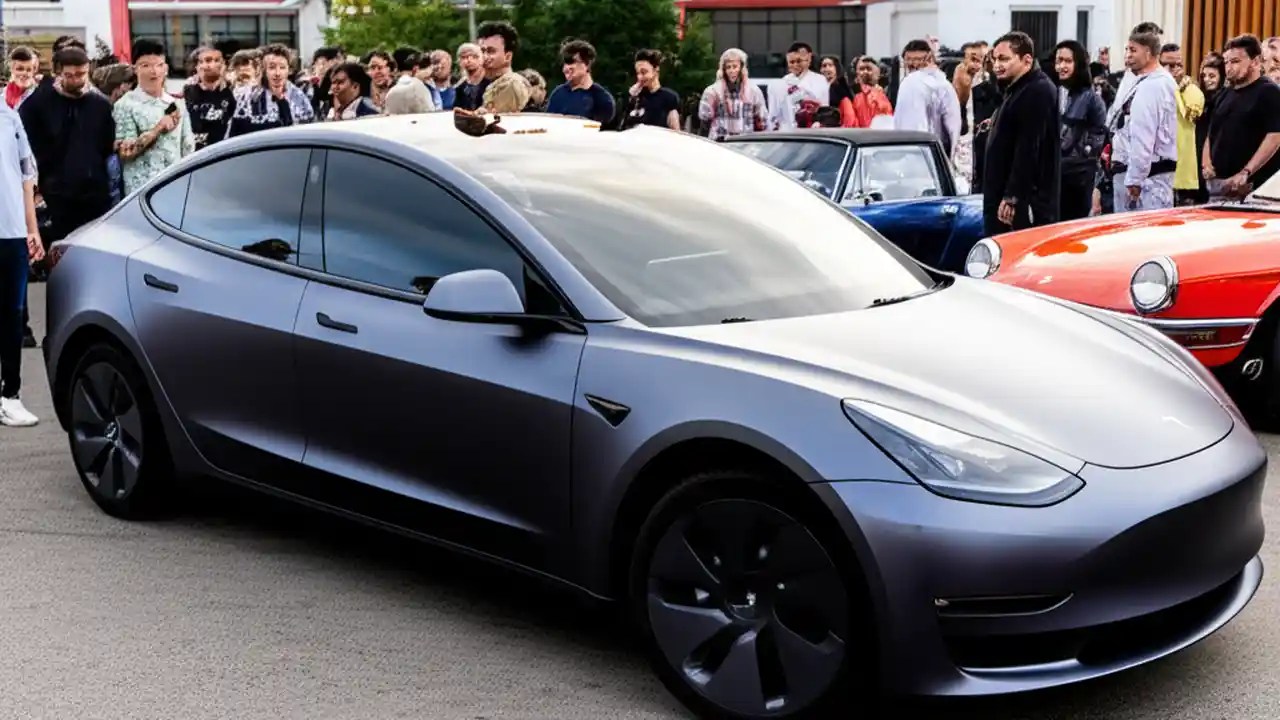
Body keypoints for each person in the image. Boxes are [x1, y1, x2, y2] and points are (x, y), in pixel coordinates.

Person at [982, 31, 1061, 234]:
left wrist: (1012, 196)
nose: (997, 65)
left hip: (1025, 202)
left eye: (1004, 59)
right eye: (995, 59)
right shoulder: (1016, 88)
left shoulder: (1038, 90)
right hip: (1004, 194)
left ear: (1026, 60)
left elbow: (1029, 148)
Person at [0, 98, 43, 427]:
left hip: (10, 231)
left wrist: (31, 229)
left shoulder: (9, 116)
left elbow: (27, 176)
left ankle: (10, 396)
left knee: (11, 316)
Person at [1109, 24, 1179, 212]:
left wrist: (1135, 178)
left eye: (1133, 50)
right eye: (1127, 49)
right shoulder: (1136, 79)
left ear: (1148, 53)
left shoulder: (1154, 84)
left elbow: (1143, 134)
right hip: (1135, 171)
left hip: (1148, 180)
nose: (1128, 55)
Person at [1204, 35, 1280, 201]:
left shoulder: (1269, 92)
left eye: (1236, 61)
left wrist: (1246, 171)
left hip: (1249, 187)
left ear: (1255, 61)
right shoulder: (1225, 93)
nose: (1229, 67)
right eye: (1226, 62)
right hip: (1217, 185)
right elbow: (1212, 132)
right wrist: (1206, 163)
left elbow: (1274, 136)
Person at [1054, 40, 1107, 221]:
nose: (1061, 66)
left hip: (1078, 175)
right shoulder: (1054, 92)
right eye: (1058, 60)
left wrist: (1086, 153)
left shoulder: (1091, 99)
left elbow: (1098, 135)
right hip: (1054, 173)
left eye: (1068, 61)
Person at [894, 39, 961, 157]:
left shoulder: (942, 85)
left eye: (918, 59)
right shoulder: (904, 83)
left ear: (929, 59)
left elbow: (953, 126)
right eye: (908, 60)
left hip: (924, 154)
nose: (912, 64)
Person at [1158, 44, 1205, 206]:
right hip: (1156, 170)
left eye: (1179, 65)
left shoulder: (1191, 90)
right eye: (1170, 65)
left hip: (1181, 174)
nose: (1175, 69)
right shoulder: (1153, 89)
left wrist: (1175, 89)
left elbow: (1190, 114)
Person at [697, 48, 767, 141]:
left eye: (735, 66)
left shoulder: (753, 91)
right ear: (723, 69)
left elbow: (761, 121)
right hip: (719, 143)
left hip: (746, 143)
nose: (731, 70)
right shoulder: (712, 91)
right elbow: (704, 122)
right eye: (728, 67)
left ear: (742, 68)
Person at [546, 40, 616, 124]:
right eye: (565, 63)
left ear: (587, 64)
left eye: (572, 62)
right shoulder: (557, 94)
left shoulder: (602, 99)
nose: (566, 68)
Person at [621, 49, 681, 131]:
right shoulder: (635, 97)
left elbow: (675, 132)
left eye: (644, 72)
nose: (640, 77)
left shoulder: (669, 98)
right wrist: (631, 99)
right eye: (638, 73)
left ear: (656, 70)